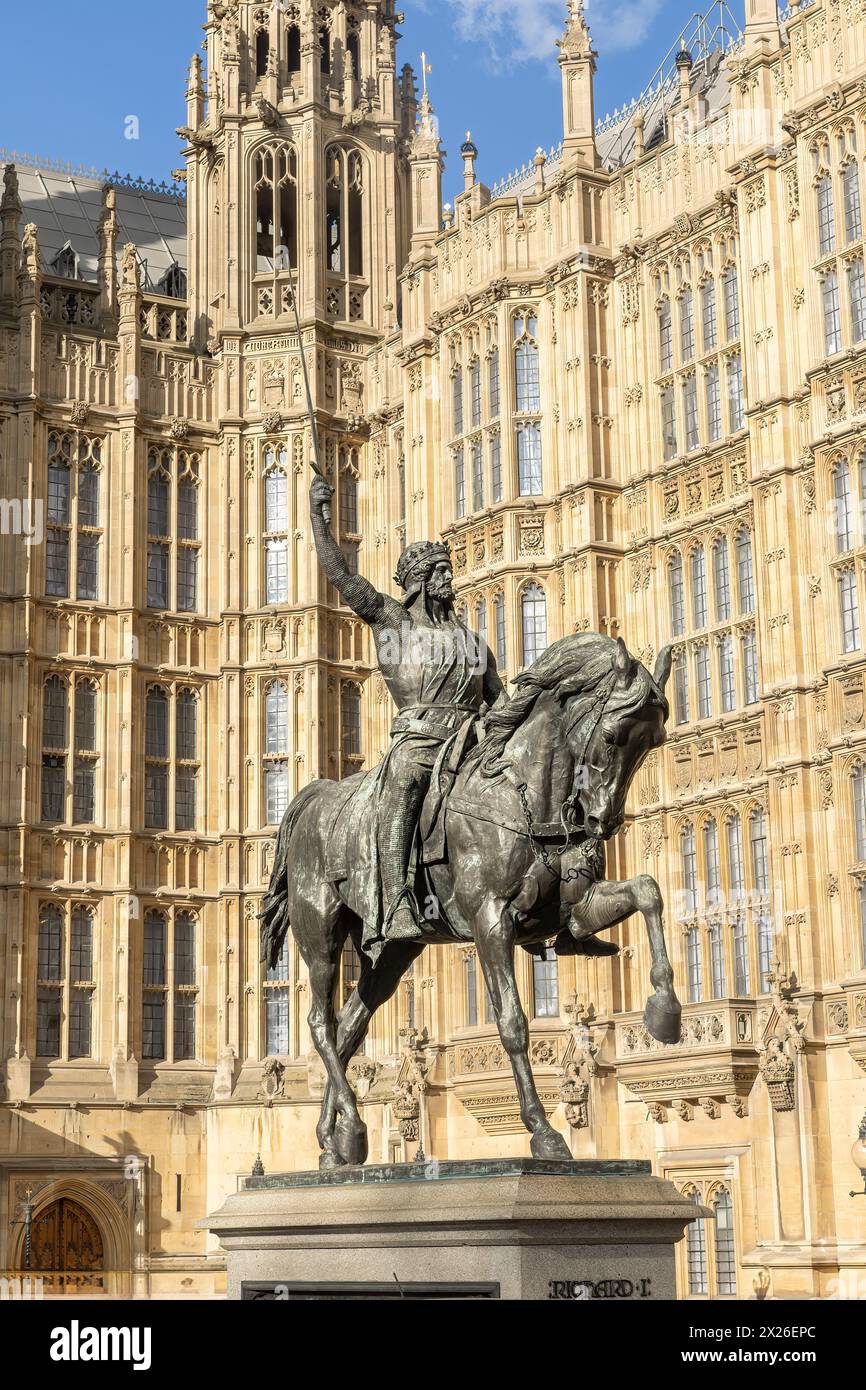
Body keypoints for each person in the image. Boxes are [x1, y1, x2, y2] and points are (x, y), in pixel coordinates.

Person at [309, 474, 505, 944]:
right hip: (419, 742)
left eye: (448, 570)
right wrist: (318, 518)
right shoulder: (392, 621)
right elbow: (343, 577)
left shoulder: (472, 641)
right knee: (404, 782)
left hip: (471, 745)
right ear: (419, 581)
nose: (450, 579)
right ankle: (396, 901)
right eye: (440, 572)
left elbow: (501, 703)